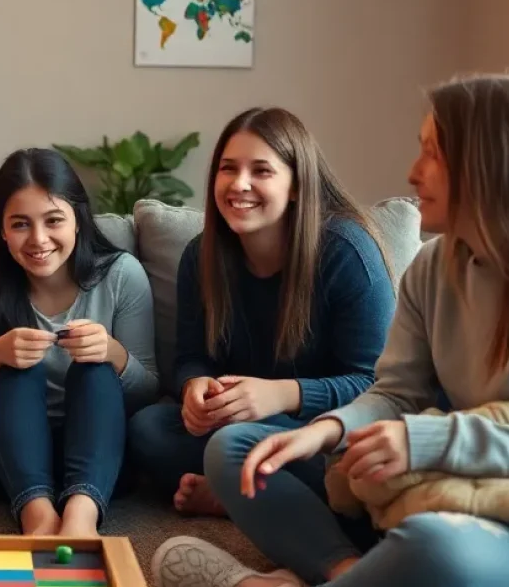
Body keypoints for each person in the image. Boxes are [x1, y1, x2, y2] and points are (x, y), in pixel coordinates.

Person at [154, 75, 509, 587]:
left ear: (487, 161)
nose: (412, 173)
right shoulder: (435, 269)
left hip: (478, 520)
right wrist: (324, 432)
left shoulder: (346, 252)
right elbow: (395, 392)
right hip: (423, 491)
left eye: (433, 152)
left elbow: (398, 409)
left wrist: (306, 403)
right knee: (234, 451)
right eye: (227, 168)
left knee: (435, 554)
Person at [128, 107, 394, 518]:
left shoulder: (347, 254)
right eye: (228, 169)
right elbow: (189, 357)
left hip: (318, 431)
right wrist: (194, 387)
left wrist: (281, 394)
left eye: (262, 171)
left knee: (342, 463)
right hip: (233, 427)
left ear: (295, 186)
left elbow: (377, 387)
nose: (240, 184)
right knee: (148, 429)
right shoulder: (201, 256)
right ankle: (248, 489)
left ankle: (232, 493)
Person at [0, 148, 159, 537]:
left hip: (97, 454)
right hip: (5, 457)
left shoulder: (120, 275)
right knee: (17, 370)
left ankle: (81, 520)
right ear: (1, 229)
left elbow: (149, 390)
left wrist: (114, 354)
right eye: (20, 224)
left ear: (78, 221)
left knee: (96, 370)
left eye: (54, 221)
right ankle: (38, 517)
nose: (38, 239)